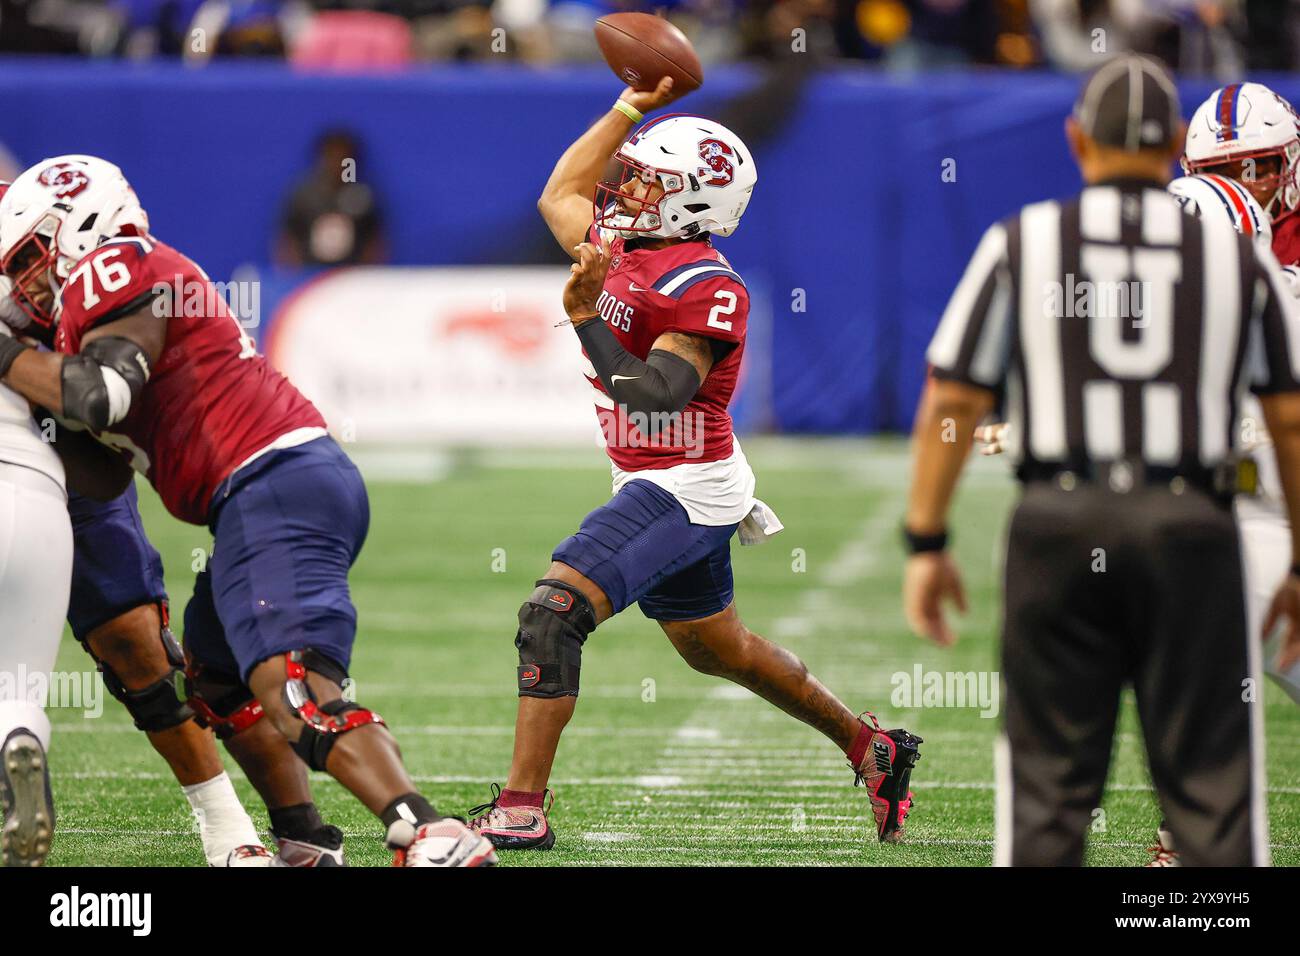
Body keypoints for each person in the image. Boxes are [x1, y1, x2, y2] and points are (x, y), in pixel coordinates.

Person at [465, 78, 923, 852]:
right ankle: (871, 747)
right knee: (723, 650)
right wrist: (629, 108)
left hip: (686, 487)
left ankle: (521, 807)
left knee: (551, 615)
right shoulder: (622, 247)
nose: (628, 186)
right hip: (657, 479)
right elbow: (559, 194)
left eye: (651, 180)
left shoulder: (704, 283)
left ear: (695, 202)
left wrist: (582, 318)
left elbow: (655, 398)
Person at [0, 155, 494, 867]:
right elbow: (104, 474)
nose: (27, 285)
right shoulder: (84, 322)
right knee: (215, 675)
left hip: (275, 476)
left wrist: (8, 359)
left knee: (293, 686)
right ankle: (303, 836)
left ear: (78, 229)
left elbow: (99, 394)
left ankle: (429, 828)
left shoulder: (120, 261)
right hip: (253, 495)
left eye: (33, 260)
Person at [904, 53, 1300, 866]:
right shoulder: (1241, 258)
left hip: (1061, 517)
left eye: (1261, 165)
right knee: (1212, 777)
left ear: (1077, 140)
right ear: (1173, 157)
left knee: (1048, 788)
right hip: (1198, 517)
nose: (1254, 182)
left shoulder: (1029, 238)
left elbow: (951, 396)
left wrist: (927, 540)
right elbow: (1282, 418)